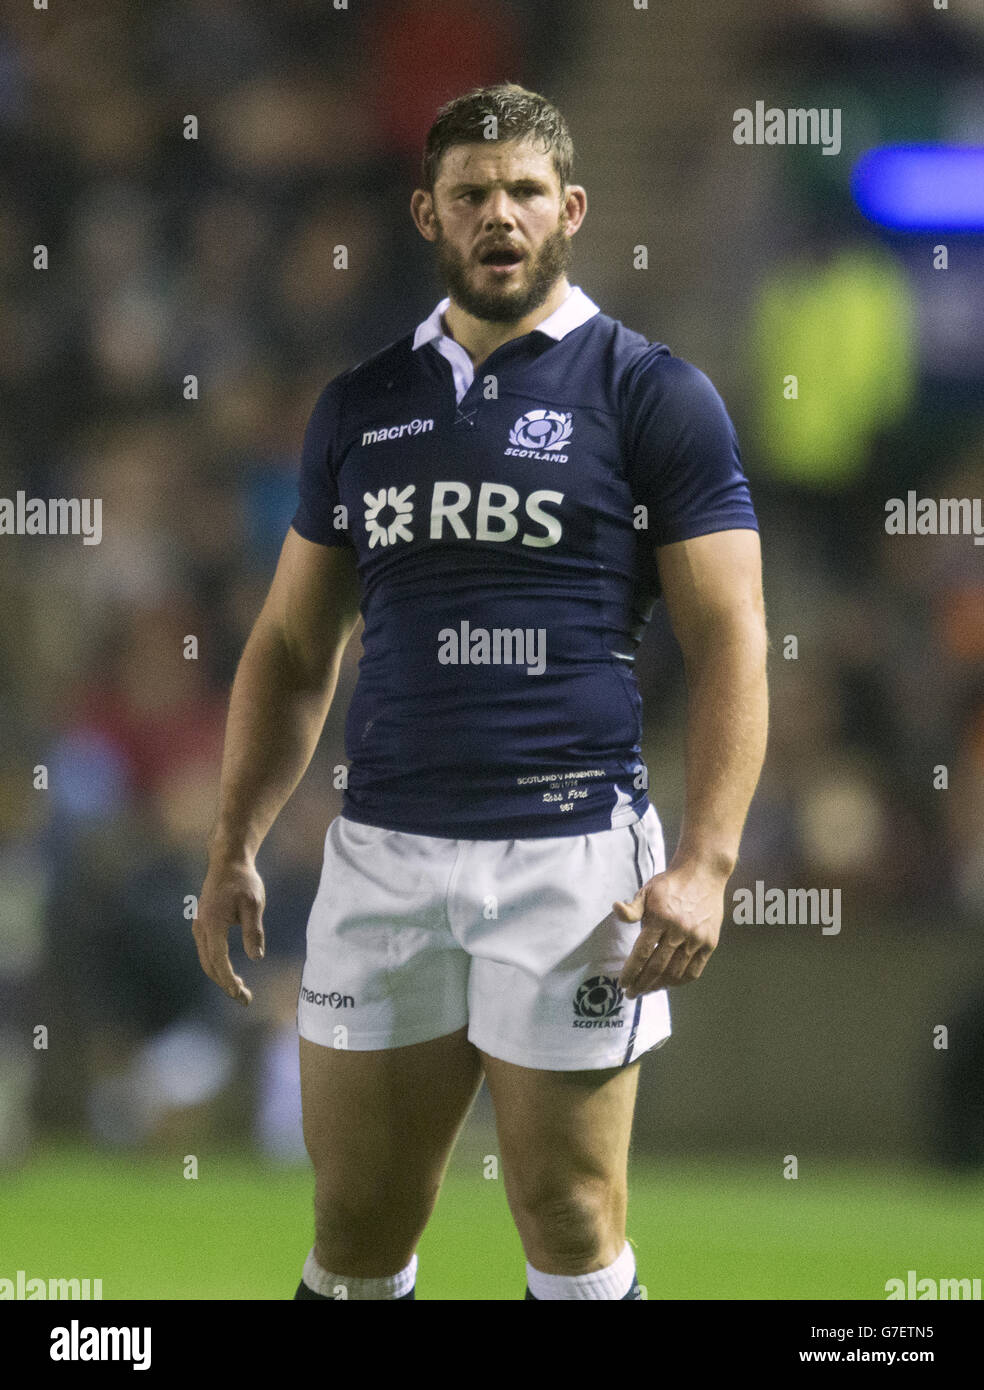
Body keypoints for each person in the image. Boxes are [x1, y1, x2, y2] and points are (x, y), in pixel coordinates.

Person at [193, 83, 769, 1301]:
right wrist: (235, 836)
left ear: (570, 209)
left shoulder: (652, 393)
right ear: (427, 215)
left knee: (565, 1214)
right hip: (384, 851)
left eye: (520, 192)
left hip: (570, 857)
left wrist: (709, 860)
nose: (497, 215)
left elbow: (732, 642)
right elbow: (296, 648)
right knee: (355, 1224)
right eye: (470, 194)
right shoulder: (363, 405)